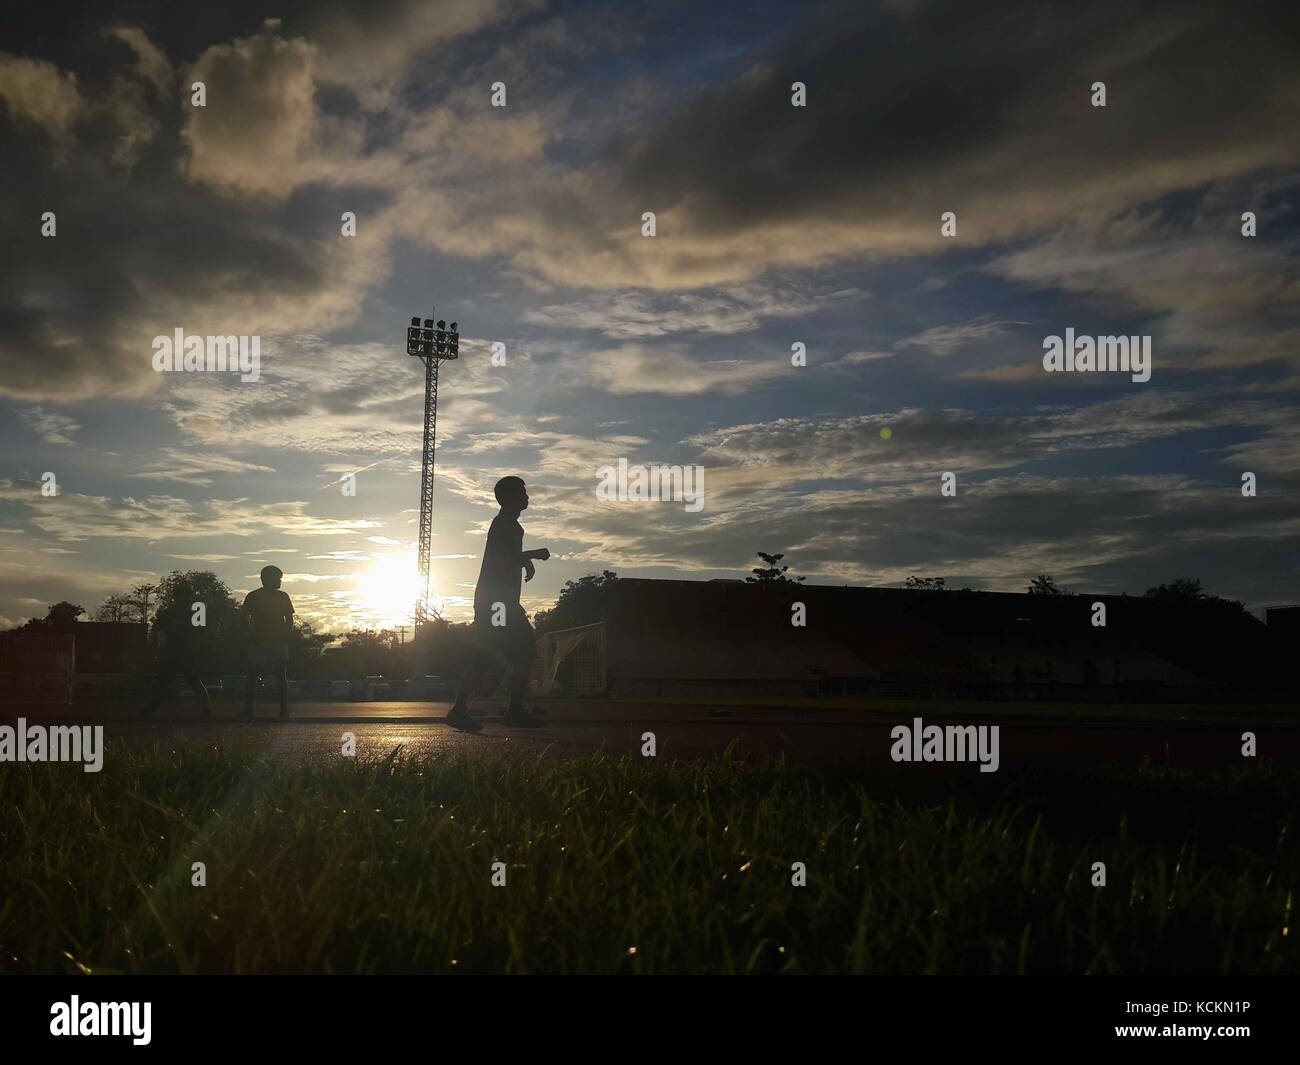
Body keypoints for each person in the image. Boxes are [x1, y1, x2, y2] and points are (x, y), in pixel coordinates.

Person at [447, 476, 550, 731]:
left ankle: (464, 710)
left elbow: (506, 557)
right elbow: (504, 559)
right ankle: (510, 711)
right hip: (497, 603)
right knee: (520, 652)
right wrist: (533, 555)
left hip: (497, 602)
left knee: (494, 655)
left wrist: (525, 561)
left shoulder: (511, 526)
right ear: (508, 498)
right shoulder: (504, 523)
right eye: (522, 493)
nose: (527, 497)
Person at [140, 600, 212, 719]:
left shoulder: (177, 613)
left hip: (182, 653)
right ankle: (206, 710)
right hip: (175, 653)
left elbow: (201, 634)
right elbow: (156, 629)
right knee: (166, 683)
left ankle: (150, 709)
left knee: (167, 683)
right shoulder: (181, 613)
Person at [241, 565, 294, 721]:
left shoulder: (280, 596)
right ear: (266, 579)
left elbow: (289, 620)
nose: (279, 581)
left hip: (271, 641)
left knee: (277, 675)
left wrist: (286, 636)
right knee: (256, 675)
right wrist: (250, 635)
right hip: (261, 640)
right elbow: (243, 617)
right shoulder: (256, 596)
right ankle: (251, 710)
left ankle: (282, 710)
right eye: (277, 578)